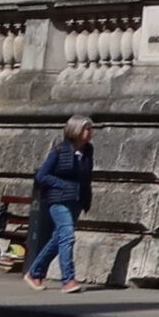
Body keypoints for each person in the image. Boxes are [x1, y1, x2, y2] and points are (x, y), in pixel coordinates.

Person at [24, 116, 95, 292]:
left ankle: (34, 273)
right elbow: (42, 176)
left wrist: (86, 197)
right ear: (76, 131)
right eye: (87, 129)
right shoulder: (59, 151)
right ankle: (68, 280)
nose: (90, 132)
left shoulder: (88, 151)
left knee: (58, 238)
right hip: (59, 200)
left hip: (77, 201)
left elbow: (86, 178)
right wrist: (63, 185)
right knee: (68, 236)